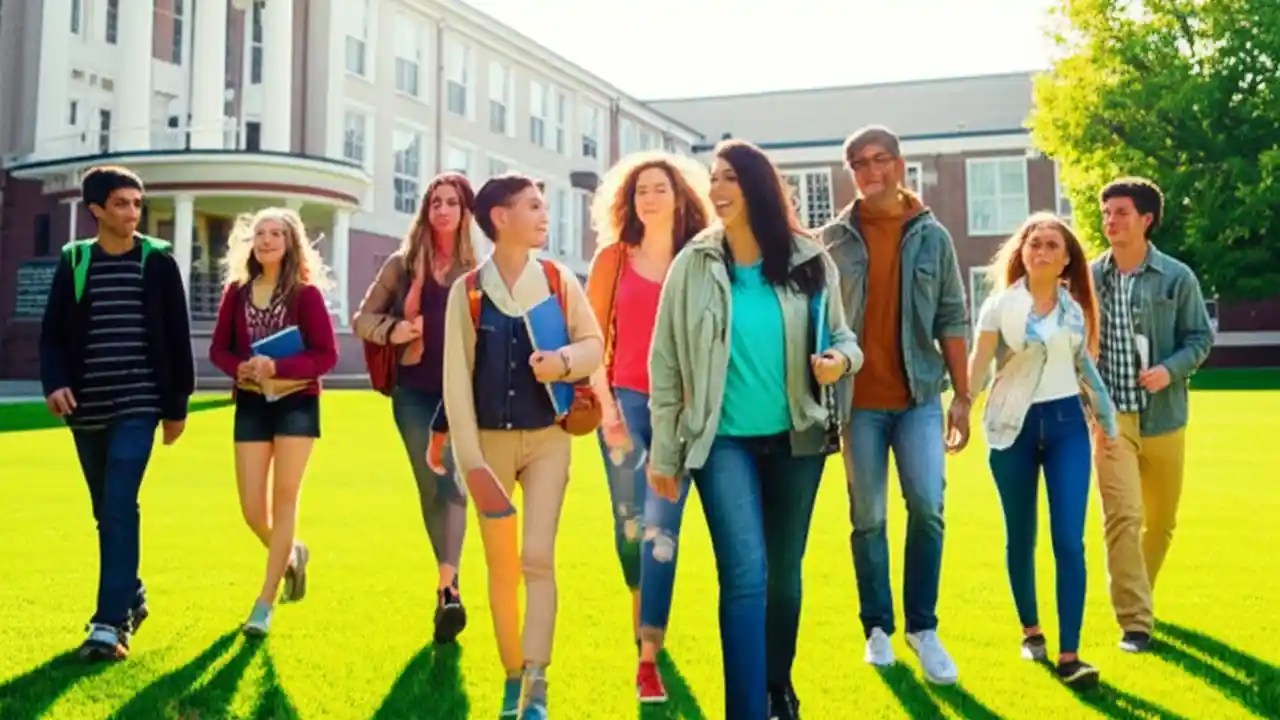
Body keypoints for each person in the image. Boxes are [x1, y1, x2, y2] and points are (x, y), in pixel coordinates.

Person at [648, 139, 862, 720]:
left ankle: (776, 686)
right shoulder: (692, 263)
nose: (717, 190)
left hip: (799, 438)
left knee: (783, 577)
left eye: (730, 180)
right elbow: (665, 362)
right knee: (744, 574)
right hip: (723, 442)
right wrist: (664, 453)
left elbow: (846, 339)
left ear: (758, 187)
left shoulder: (807, 258)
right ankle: (745, 709)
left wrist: (839, 362)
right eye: (713, 179)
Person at [441, 173, 603, 720]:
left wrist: (561, 363)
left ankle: (536, 682)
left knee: (537, 557)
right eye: (533, 207)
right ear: (500, 218)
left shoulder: (558, 280)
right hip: (487, 446)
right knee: (500, 568)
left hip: (549, 441)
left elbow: (592, 345)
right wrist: (471, 463)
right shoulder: (467, 292)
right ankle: (511, 677)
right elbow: (455, 385)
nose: (543, 216)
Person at [819, 124, 969, 685]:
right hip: (857, 404)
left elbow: (953, 316)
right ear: (850, 171)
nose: (871, 171)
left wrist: (963, 397)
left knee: (928, 507)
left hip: (919, 399)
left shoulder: (932, 237)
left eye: (881, 159)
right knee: (869, 518)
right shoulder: (833, 240)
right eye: (859, 162)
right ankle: (877, 628)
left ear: (900, 163)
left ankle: (922, 627)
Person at [39, 165, 194, 661]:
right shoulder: (75, 262)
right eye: (122, 204)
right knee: (105, 511)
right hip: (86, 406)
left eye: (137, 204)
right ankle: (132, 592)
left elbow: (176, 337)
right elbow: (53, 335)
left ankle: (109, 624)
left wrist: (176, 407)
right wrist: (55, 381)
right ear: (97, 211)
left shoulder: (158, 262)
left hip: (138, 403)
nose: (132, 213)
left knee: (120, 503)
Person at [967, 212, 1118, 688]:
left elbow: (1085, 369)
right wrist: (959, 409)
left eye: (1053, 245)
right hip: (1011, 426)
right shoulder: (999, 307)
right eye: (1035, 244)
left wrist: (1107, 419)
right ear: (1023, 252)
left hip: (1067, 426)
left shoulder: (1076, 311)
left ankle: (1071, 655)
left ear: (1067, 259)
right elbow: (978, 366)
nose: (1042, 251)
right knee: (1021, 535)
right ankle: (1031, 631)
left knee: (1069, 540)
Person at [582, 151, 712, 703]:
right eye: (640, 192)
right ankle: (641, 608)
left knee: (663, 532)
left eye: (660, 189)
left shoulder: (703, 259)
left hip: (679, 413)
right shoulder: (614, 258)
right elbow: (589, 338)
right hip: (624, 406)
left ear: (681, 197)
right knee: (630, 530)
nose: (650, 198)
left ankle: (647, 658)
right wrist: (607, 410)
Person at [353, 173, 478, 643]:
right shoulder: (402, 265)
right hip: (414, 393)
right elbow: (363, 319)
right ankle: (449, 583)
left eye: (452, 203)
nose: (442, 210)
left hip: (460, 393)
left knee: (451, 481)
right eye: (435, 203)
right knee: (432, 488)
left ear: (465, 213)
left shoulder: (478, 270)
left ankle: (449, 589)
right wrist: (395, 331)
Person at [1092, 177, 1213, 652]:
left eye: (1120, 212)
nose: (1110, 221)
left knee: (1160, 522)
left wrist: (1170, 369)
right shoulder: (1087, 276)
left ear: (1146, 220)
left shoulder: (1177, 277)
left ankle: (1139, 592)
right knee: (1122, 516)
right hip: (1109, 417)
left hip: (1165, 416)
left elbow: (1200, 338)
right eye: (1105, 213)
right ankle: (1135, 623)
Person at [208, 207, 338, 637]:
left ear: (290, 243)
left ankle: (264, 604)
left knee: (285, 499)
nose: (266, 240)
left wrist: (276, 366)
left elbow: (326, 356)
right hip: (251, 404)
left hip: (297, 403)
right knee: (250, 508)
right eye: (260, 233)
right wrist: (241, 367)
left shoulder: (306, 295)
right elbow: (219, 351)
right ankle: (292, 554)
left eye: (276, 234)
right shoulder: (236, 292)